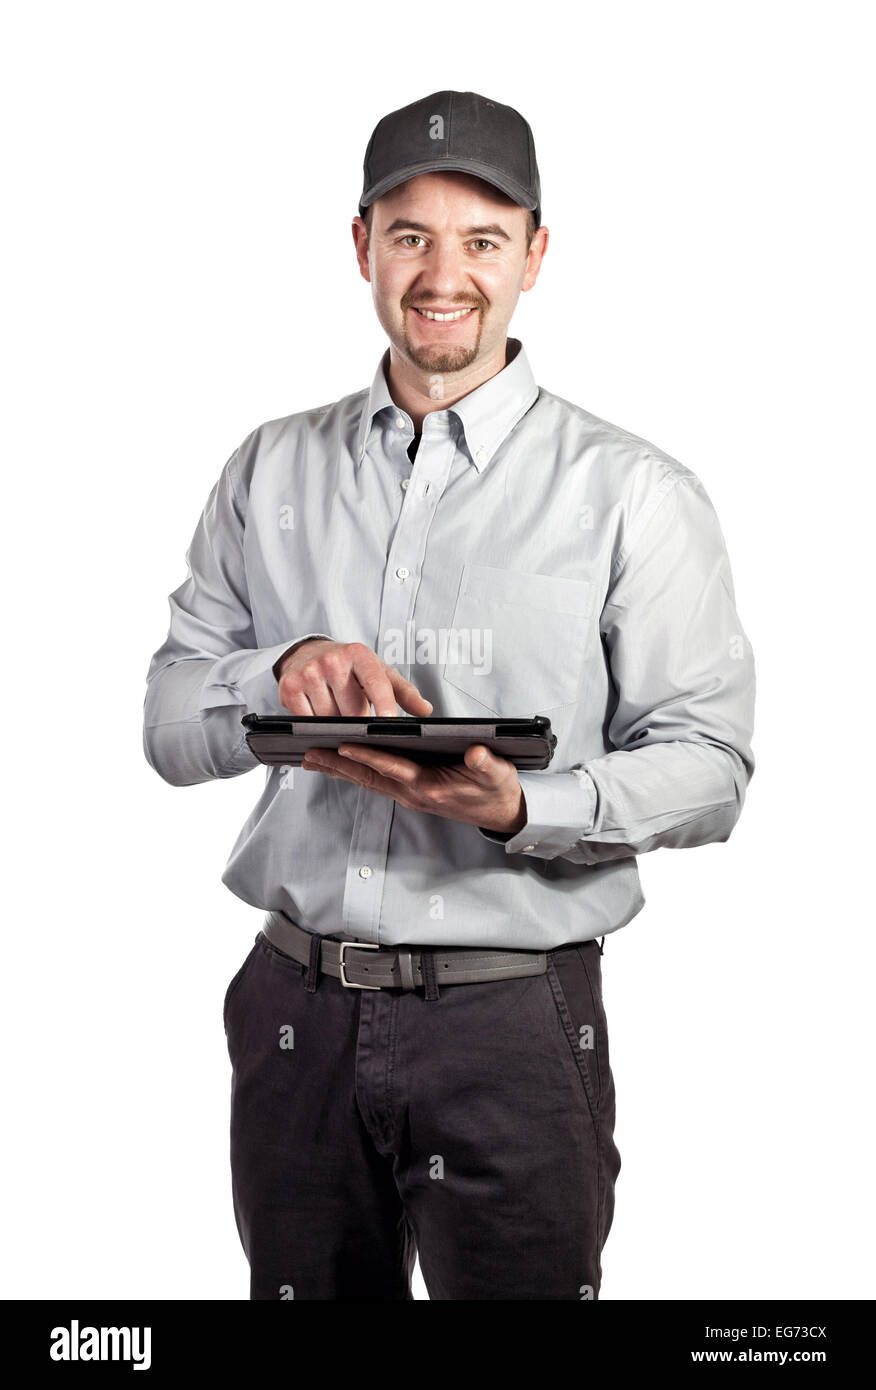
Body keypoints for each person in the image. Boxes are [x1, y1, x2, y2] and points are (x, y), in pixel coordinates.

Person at [142, 89, 756, 1301]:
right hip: (293, 1012)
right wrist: (278, 670)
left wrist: (521, 806)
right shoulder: (270, 466)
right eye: (411, 234)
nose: (443, 273)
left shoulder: (635, 492)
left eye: (481, 239)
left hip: (511, 1022)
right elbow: (166, 725)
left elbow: (711, 764)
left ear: (535, 255)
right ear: (362, 245)